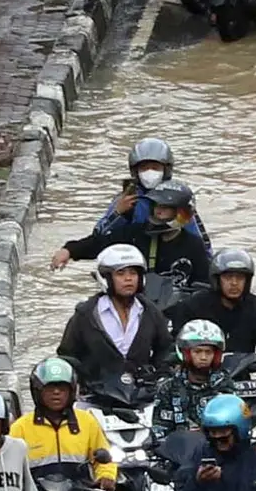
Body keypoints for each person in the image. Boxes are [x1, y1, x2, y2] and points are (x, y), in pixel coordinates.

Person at [58, 179, 212, 289]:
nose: (158, 211)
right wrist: (70, 250)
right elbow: (100, 243)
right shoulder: (136, 234)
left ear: (180, 212)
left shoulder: (194, 244)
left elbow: (203, 283)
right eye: (156, 206)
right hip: (138, 306)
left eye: (165, 207)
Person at [57, 246, 179, 383]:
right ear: (106, 278)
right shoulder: (86, 314)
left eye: (133, 273)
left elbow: (165, 349)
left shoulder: (151, 311)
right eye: (120, 273)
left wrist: (159, 375)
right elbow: (67, 356)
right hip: (96, 394)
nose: (128, 279)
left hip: (142, 392)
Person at [78, 137, 211, 248]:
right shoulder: (126, 200)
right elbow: (98, 237)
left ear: (166, 169)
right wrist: (117, 213)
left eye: (155, 167)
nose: (149, 172)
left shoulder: (179, 199)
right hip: (132, 263)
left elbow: (200, 241)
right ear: (135, 171)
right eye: (144, 168)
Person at [11, 357, 115, 489]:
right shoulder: (20, 428)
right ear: (38, 392)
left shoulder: (87, 421)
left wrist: (106, 477)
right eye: (49, 388)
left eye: (62, 388)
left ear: (71, 391)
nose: (56, 392)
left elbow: (105, 459)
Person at [169, 249, 256, 361]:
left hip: (241, 373)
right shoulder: (193, 305)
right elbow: (176, 340)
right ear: (217, 280)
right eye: (228, 277)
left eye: (240, 278)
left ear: (247, 281)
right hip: (200, 373)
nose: (234, 283)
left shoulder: (255, 307)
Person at [152, 320, 236, 440]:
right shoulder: (168, 388)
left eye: (208, 352)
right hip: (181, 451)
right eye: (197, 351)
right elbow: (160, 429)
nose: (203, 357)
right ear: (185, 353)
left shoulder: (225, 385)